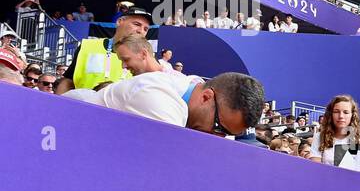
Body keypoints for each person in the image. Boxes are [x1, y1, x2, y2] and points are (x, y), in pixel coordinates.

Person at [63, 69, 264, 137]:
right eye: (219, 127)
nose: (218, 138)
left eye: (228, 134)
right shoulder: (160, 100)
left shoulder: (192, 90)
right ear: (206, 97)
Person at [64, 6, 157, 90]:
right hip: (84, 107)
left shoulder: (148, 57)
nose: (141, 31)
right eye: (137, 24)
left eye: (146, 29)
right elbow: (68, 81)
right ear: (119, 21)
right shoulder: (87, 46)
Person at [309, 94, 360, 172]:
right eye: (336, 112)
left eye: (346, 112)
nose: (341, 116)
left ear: (353, 115)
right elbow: (316, 169)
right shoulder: (319, 137)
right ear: (331, 114)